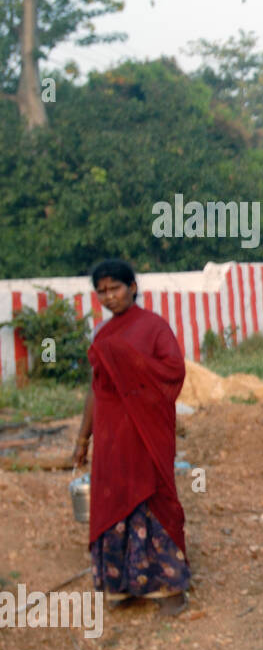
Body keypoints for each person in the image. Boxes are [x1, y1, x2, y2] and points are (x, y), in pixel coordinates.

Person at [72, 260, 190, 615]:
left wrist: (128, 361)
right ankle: (122, 586)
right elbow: (95, 389)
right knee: (113, 502)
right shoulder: (101, 334)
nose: (110, 297)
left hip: (145, 432)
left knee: (153, 497)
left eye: (116, 288)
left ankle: (168, 585)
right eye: (102, 291)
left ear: (133, 287)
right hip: (110, 436)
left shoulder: (153, 327)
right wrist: (83, 439)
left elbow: (173, 372)